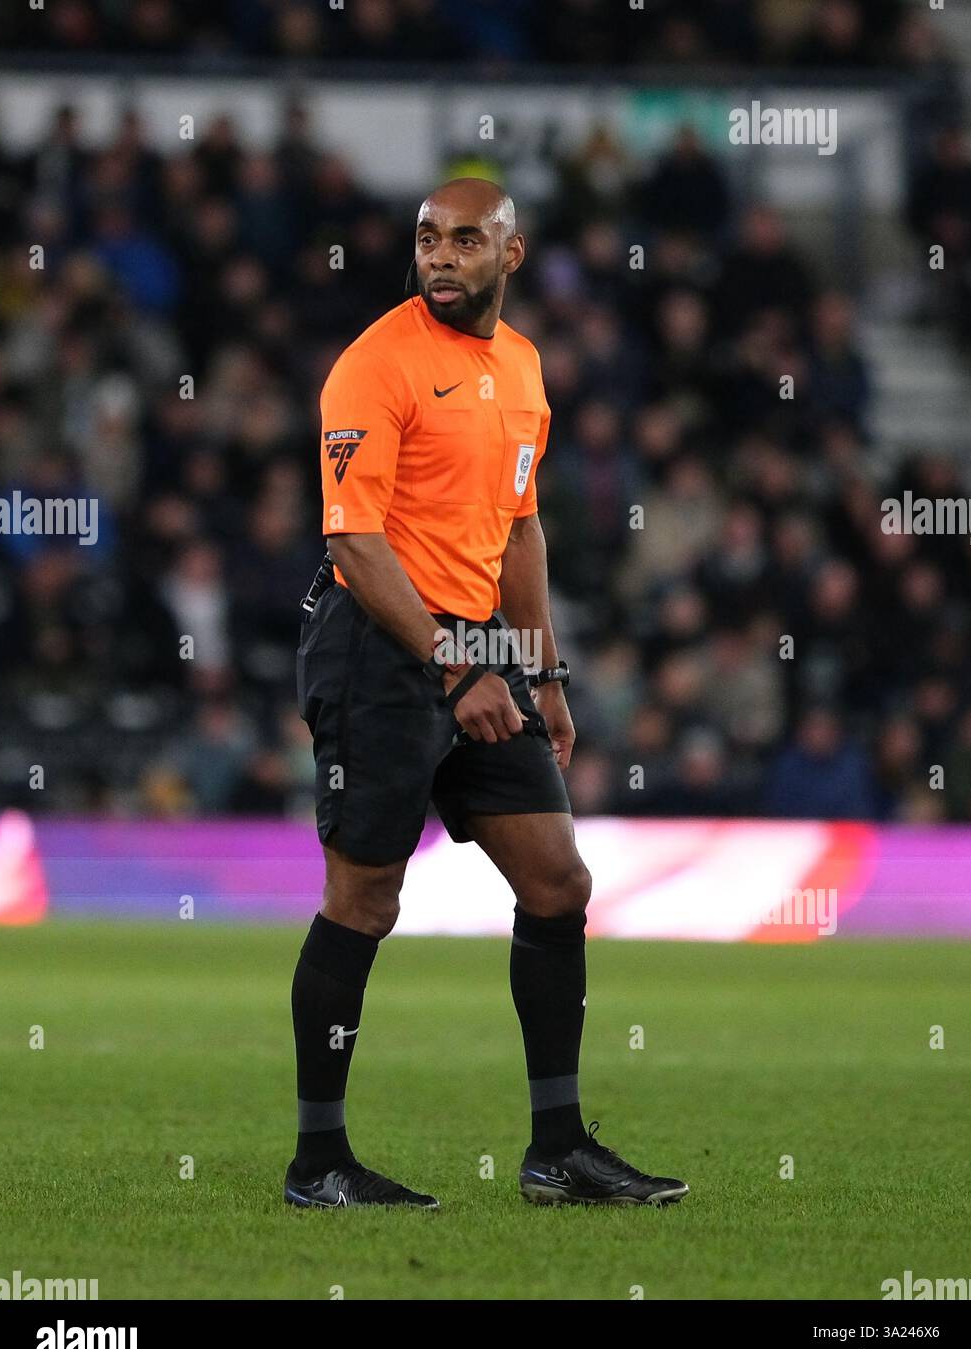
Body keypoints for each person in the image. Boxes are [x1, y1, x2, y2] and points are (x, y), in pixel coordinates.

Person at [286, 178, 689, 1209]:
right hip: (378, 649)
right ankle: (318, 1160)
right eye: (426, 238)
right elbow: (352, 539)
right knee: (364, 898)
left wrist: (540, 672)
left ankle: (556, 1151)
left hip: (479, 649)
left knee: (557, 883)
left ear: (510, 255)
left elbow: (519, 529)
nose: (440, 257)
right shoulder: (375, 366)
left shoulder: (520, 368)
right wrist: (456, 667)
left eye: (464, 240)